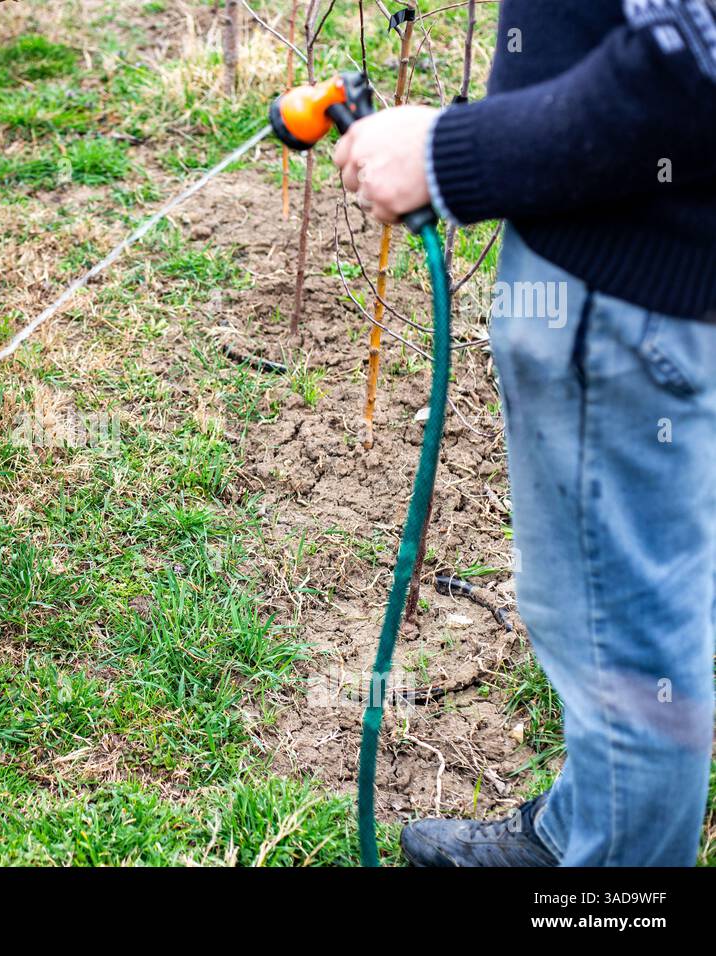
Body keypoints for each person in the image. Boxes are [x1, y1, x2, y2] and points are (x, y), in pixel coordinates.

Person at [332, 0, 716, 866]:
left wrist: (452, 154)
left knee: (627, 656)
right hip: (639, 281)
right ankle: (584, 831)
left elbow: (692, 66)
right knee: (629, 607)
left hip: (630, 300)